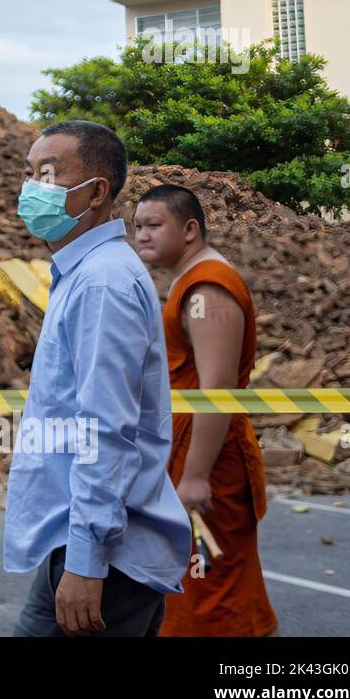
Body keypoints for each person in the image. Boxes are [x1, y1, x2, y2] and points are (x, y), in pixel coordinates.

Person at [5, 120, 191, 637]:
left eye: (48, 174)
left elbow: (106, 431)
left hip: (104, 556)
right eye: (28, 174)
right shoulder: (85, 273)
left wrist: (86, 563)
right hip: (90, 542)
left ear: (96, 192)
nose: (31, 188)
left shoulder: (102, 282)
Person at [132, 183, 279, 637]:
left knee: (210, 597)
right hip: (191, 451)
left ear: (190, 229)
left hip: (211, 462)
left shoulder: (207, 288)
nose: (142, 236)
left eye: (154, 225)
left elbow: (217, 390)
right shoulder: (191, 281)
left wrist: (195, 475)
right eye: (137, 227)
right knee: (221, 592)